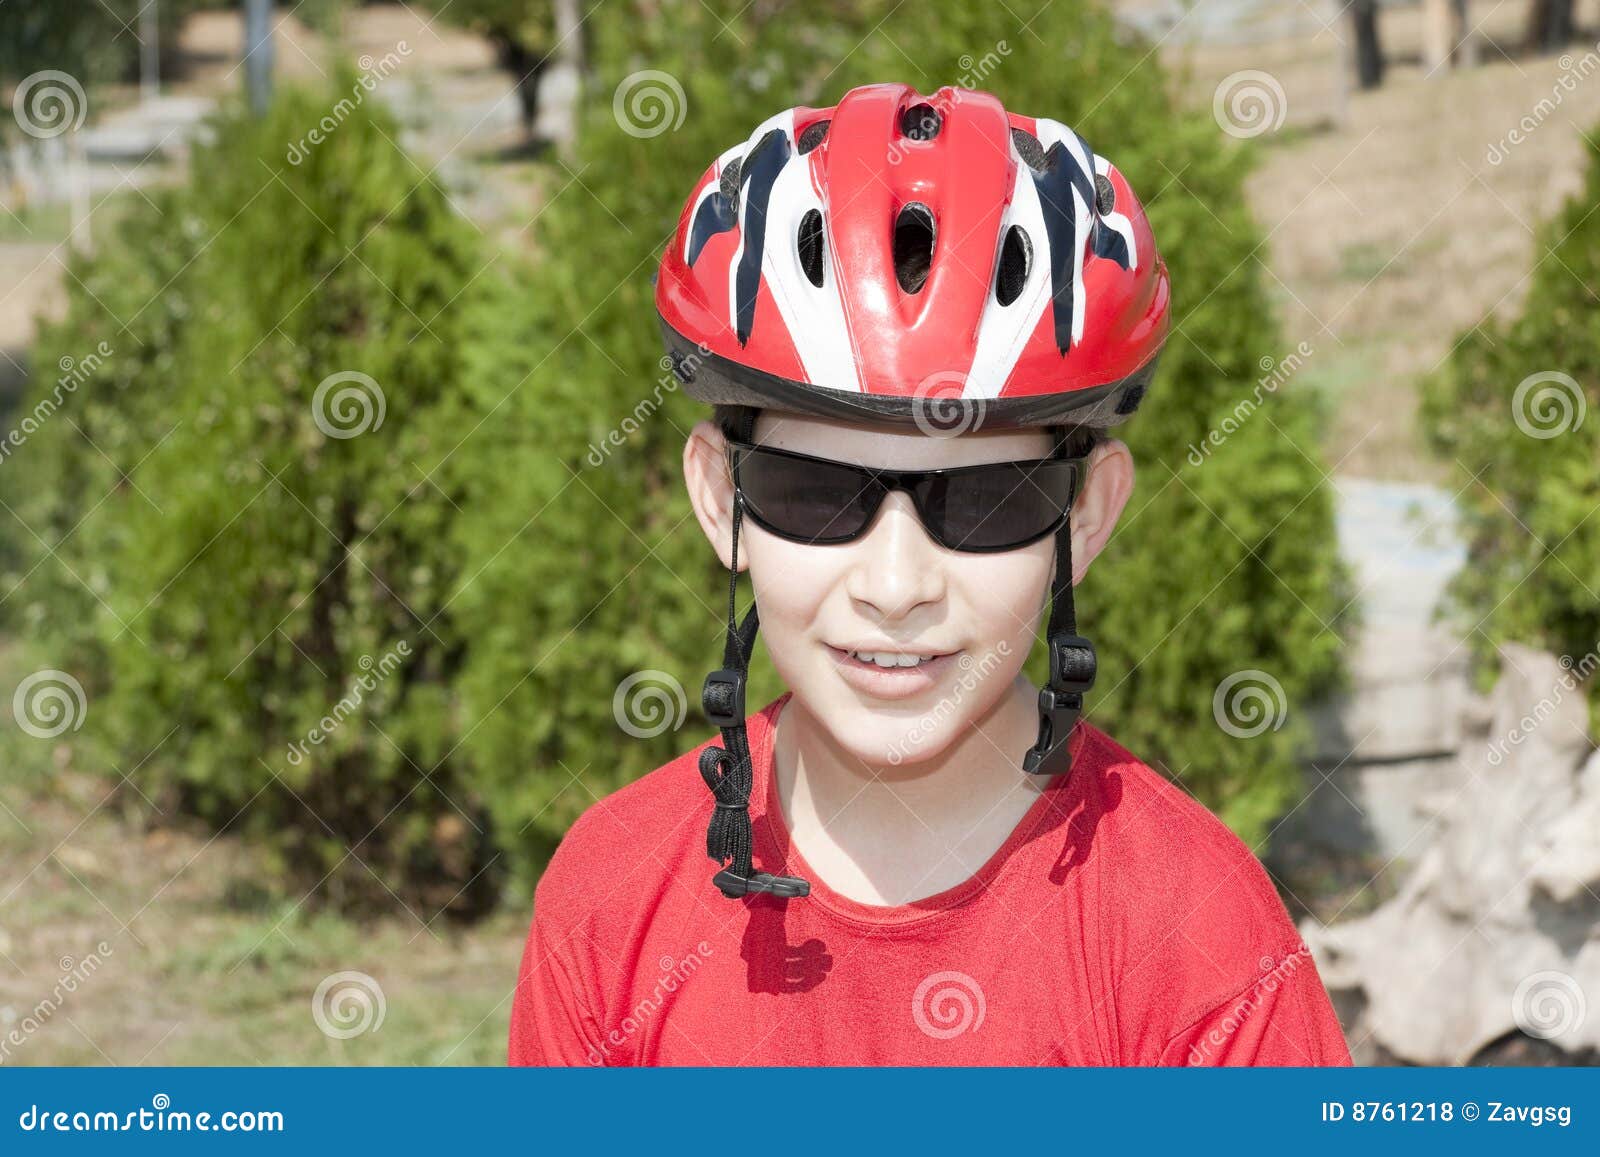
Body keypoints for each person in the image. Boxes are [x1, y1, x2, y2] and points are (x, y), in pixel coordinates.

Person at [509, 83, 1352, 1066]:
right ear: (717, 496)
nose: (896, 584)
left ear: (1084, 516)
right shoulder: (607, 897)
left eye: (986, 501)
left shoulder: (1198, 936)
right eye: (815, 493)